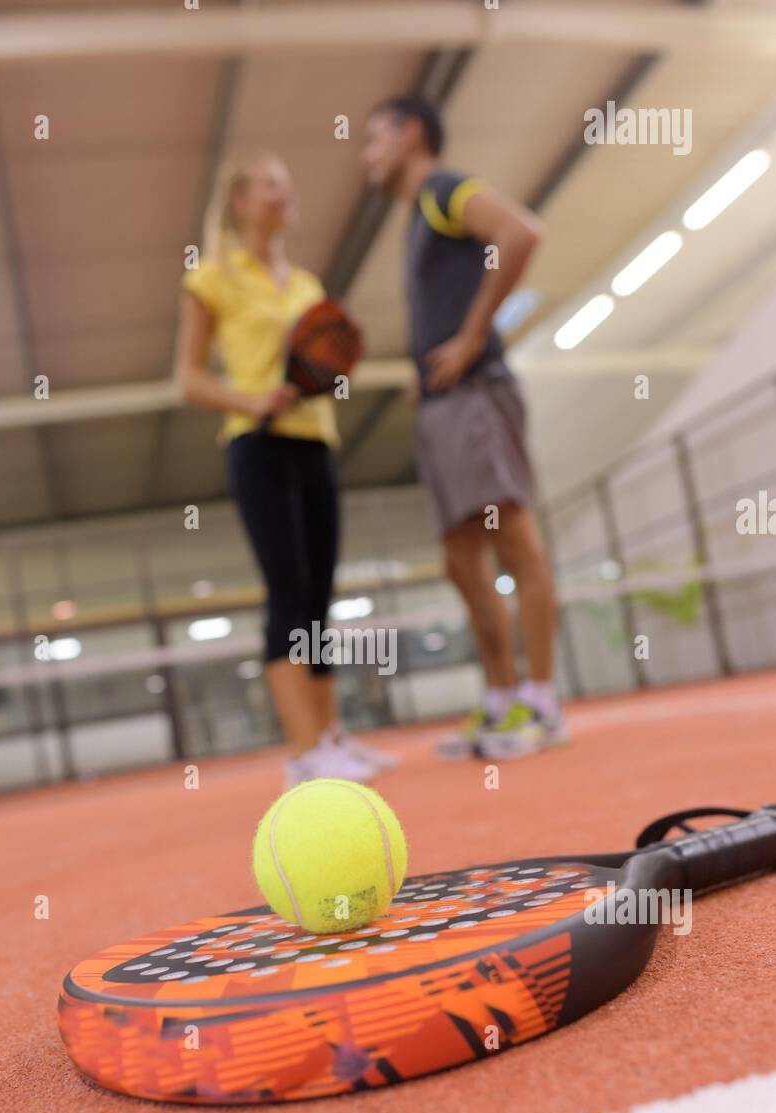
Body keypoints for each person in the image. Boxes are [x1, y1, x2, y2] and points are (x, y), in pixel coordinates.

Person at [176, 153, 394, 787]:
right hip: (257, 443)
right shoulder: (211, 277)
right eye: (271, 183)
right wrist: (251, 400)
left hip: (314, 443)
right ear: (240, 200)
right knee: (288, 594)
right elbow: (187, 379)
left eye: (286, 182)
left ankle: (331, 737)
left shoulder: (305, 284)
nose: (284, 193)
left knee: (322, 596)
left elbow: (321, 361)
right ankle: (304, 752)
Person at [362, 95, 567, 759]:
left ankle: (541, 703)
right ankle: (502, 701)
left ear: (411, 133)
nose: (367, 154)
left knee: (514, 539)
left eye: (374, 139)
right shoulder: (416, 218)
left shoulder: (442, 190)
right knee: (460, 559)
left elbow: (522, 232)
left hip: (478, 393)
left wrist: (472, 336)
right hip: (445, 404)